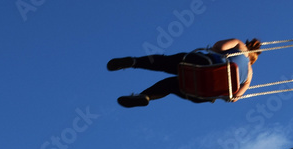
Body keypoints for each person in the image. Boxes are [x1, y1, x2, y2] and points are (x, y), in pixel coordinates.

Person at [107, 39, 261, 107]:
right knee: (171, 85)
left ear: (248, 45)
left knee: (165, 62)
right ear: (254, 59)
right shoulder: (250, 75)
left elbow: (218, 47)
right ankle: (145, 97)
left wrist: (214, 51)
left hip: (205, 65)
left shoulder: (240, 45)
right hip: (205, 93)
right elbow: (234, 98)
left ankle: (134, 62)